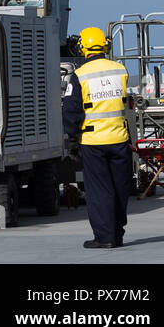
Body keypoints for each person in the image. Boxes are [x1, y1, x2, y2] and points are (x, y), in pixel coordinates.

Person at [62, 26, 132, 248]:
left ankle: (104, 237)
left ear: (83, 47)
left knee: (100, 191)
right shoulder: (120, 70)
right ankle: (117, 233)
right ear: (105, 45)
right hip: (120, 139)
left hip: (93, 143)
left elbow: (72, 111)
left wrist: (71, 137)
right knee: (120, 188)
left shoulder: (79, 76)